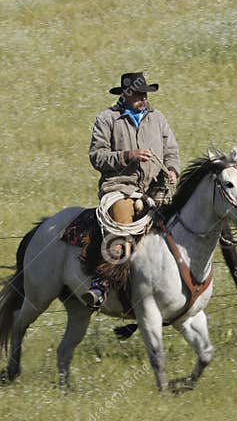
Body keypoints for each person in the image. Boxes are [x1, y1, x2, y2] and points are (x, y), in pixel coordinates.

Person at [84, 72, 181, 308]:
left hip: (155, 189)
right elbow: (97, 157)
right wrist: (128, 156)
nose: (143, 99)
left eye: (145, 94)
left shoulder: (157, 119)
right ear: (126, 95)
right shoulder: (107, 119)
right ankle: (102, 283)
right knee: (122, 229)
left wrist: (172, 170)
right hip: (120, 188)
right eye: (139, 94)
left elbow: (171, 151)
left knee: (179, 225)